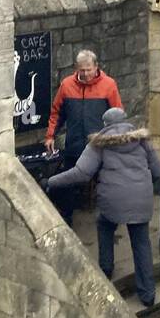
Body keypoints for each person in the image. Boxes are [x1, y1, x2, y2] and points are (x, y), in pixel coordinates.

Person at [47, 108, 160, 308]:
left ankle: (106, 269)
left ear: (105, 124)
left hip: (112, 198)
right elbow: (158, 171)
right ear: (126, 121)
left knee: (105, 225)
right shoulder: (142, 141)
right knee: (141, 242)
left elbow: (81, 173)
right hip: (141, 199)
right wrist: (142, 185)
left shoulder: (99, 144)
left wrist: (50, 181)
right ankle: (147, 294)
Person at [44, 50, 123, 225]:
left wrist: (116, 142)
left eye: (88, 69)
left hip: (99, 146)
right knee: (68, 181)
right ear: (76, 69)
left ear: (96, 67)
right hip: (75, 144)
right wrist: (50, 136)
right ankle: (67, 216)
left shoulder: (109, 85)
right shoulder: (66, 85)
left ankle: (110, 217)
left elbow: (117, 114)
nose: (86, 73)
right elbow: (57, 113)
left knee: (107, 183)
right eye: (82, 70)